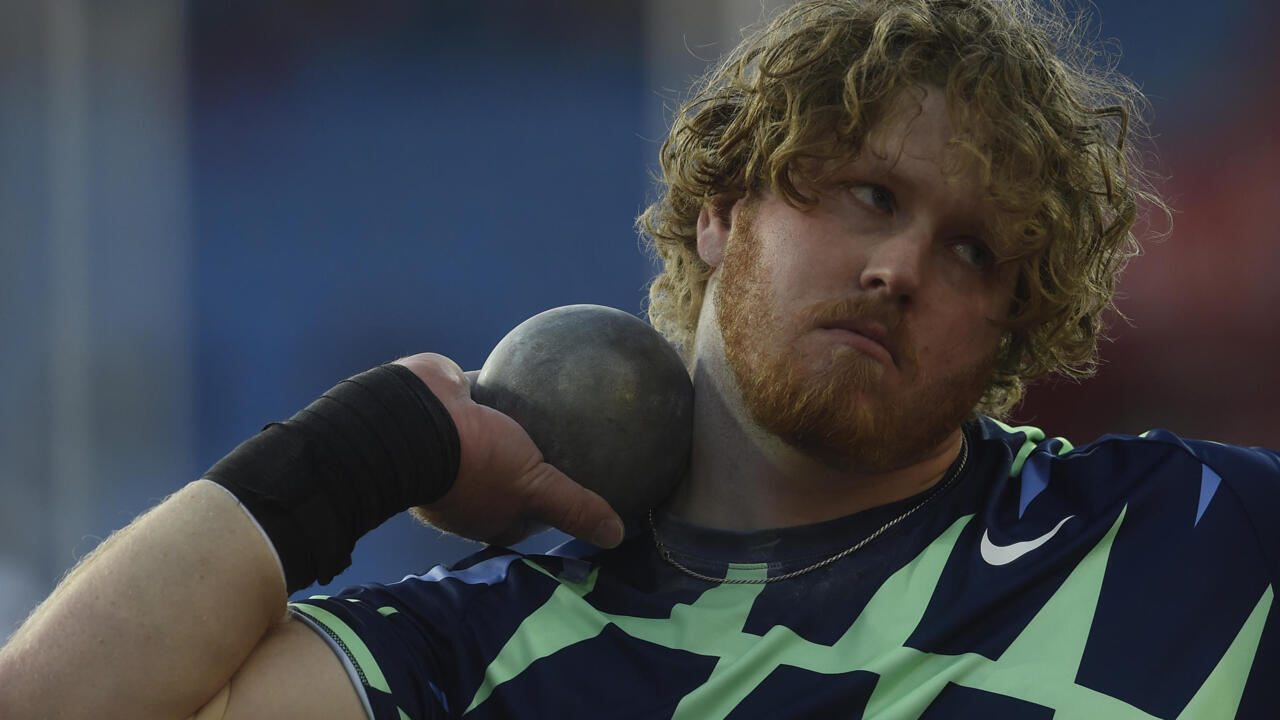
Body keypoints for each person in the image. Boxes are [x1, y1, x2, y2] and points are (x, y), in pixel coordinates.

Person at [2, 0, 1277, 717]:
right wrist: (363, 447)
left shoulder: (1194, 545)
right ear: (721, 209)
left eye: (972, 256)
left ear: (1011, 328)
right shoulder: (482, 653)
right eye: (864, 196)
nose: (899, 269)